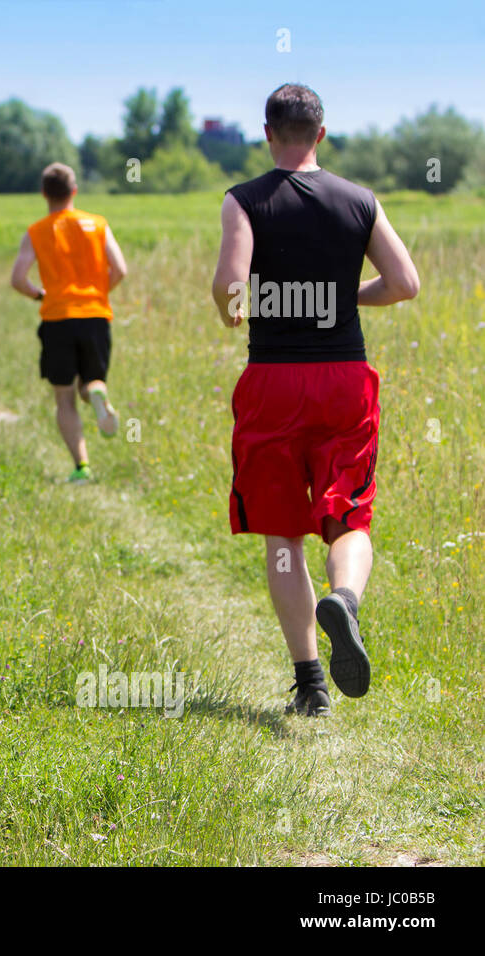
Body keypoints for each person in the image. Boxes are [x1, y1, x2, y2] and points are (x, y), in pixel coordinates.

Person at [211, 84, 419, 717]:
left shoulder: (244, 200)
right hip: (343, 380)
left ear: (268, 133)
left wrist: (242, 309)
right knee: (349, 517)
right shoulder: (360, 199)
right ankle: (346, 600)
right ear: (321, 135)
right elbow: (406, 283)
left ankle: (310, 686)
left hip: (274, 380)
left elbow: (228, 289)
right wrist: (343, 296)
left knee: (283, 534)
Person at [11, 162, 127, 483]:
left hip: (58, 318)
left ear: (44, 193)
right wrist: (97, 292)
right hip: (95, 315)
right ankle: (98, 393)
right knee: (90, 382)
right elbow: (119, 269)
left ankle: (82, 467)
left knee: (64, 397)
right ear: (74, 191)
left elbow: (18, 279)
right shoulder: (98, 224)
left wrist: (40, 296)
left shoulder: (36, 232)